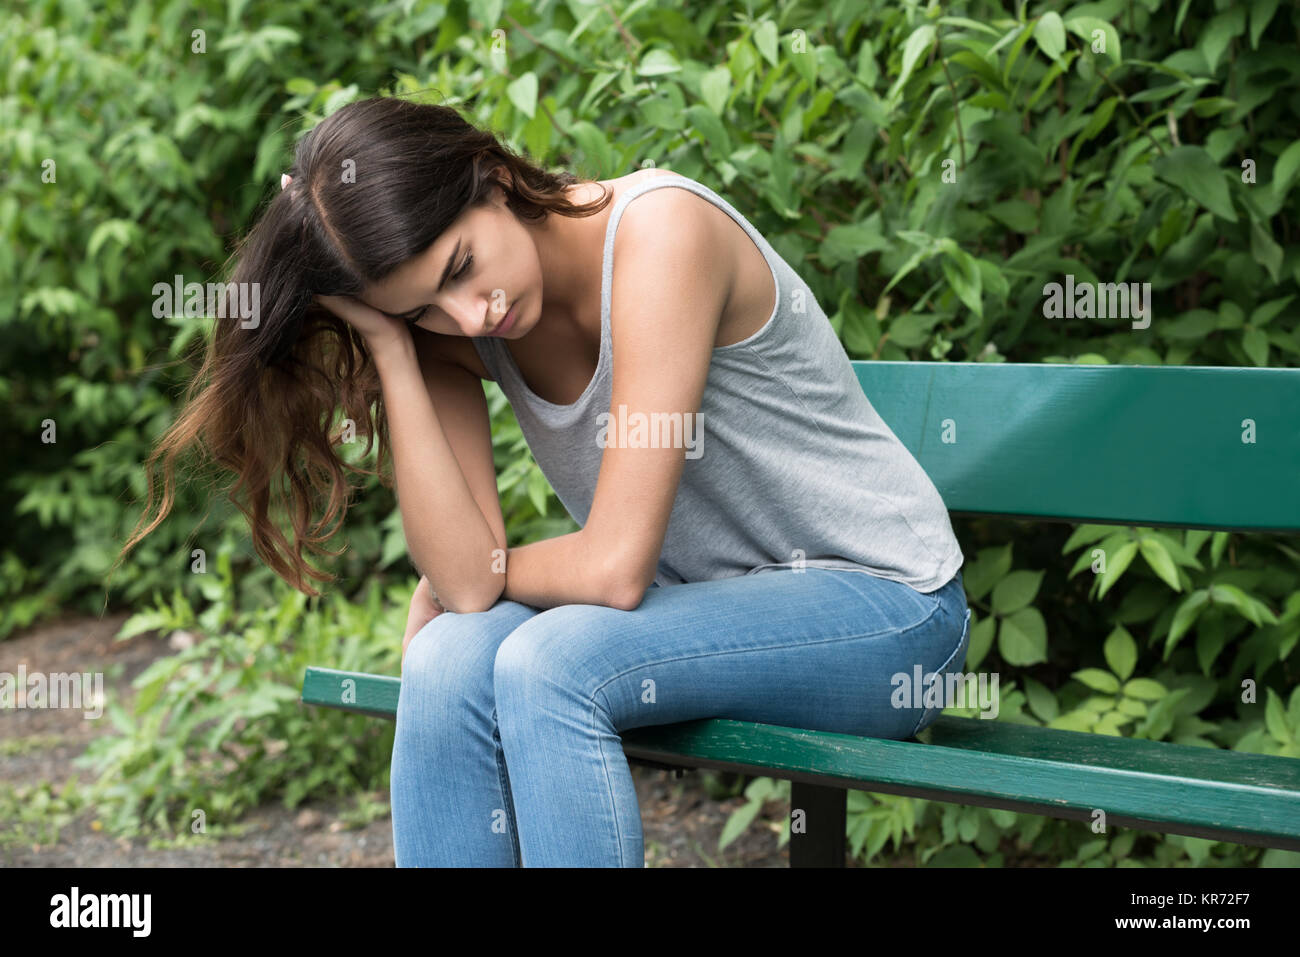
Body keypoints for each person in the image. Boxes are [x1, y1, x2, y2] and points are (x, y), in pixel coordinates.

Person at [119, 95, 971, 867]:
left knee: (547, 661)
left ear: (492, 179)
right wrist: (394, 354)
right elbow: (464, 580)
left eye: (458, 269)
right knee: (452, 656)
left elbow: (611, 569)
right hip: (707, 619)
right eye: (421, 309)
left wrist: (478, 577)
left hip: (888, 611)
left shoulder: (661, 236)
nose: (468, 315)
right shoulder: (450, 328)